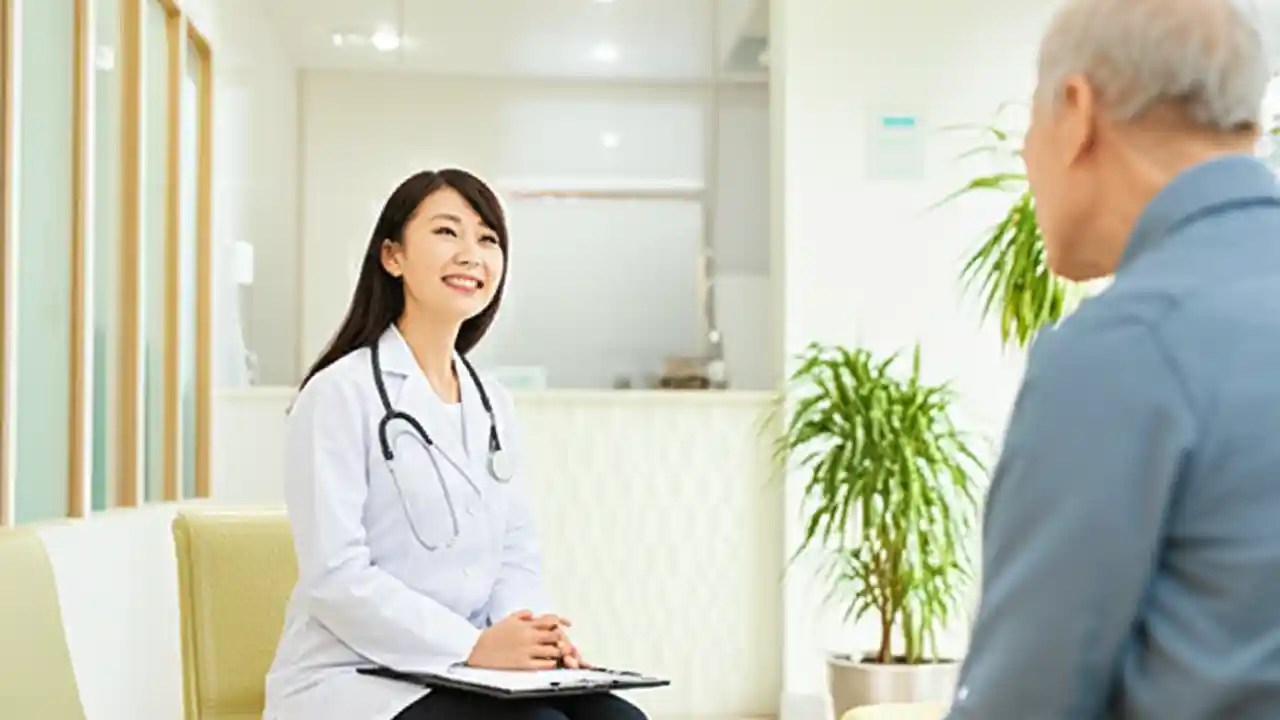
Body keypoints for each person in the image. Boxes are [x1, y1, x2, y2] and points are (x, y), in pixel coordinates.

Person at [946, 0, 1280, 718]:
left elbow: (1025, 703)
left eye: (1027, 126)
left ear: (1075, 109)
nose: (1028, 155)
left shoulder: (1126, 351)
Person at [264, 168, 647, 720]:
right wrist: (472, 646)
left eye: (487, 239)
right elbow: (336, 576)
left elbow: (515, 554)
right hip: (355, 677)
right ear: (392, 257)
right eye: (447, 232)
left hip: (467, 670)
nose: (472, 253)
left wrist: (533, 638)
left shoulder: (493, 402)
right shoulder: (338, 394)